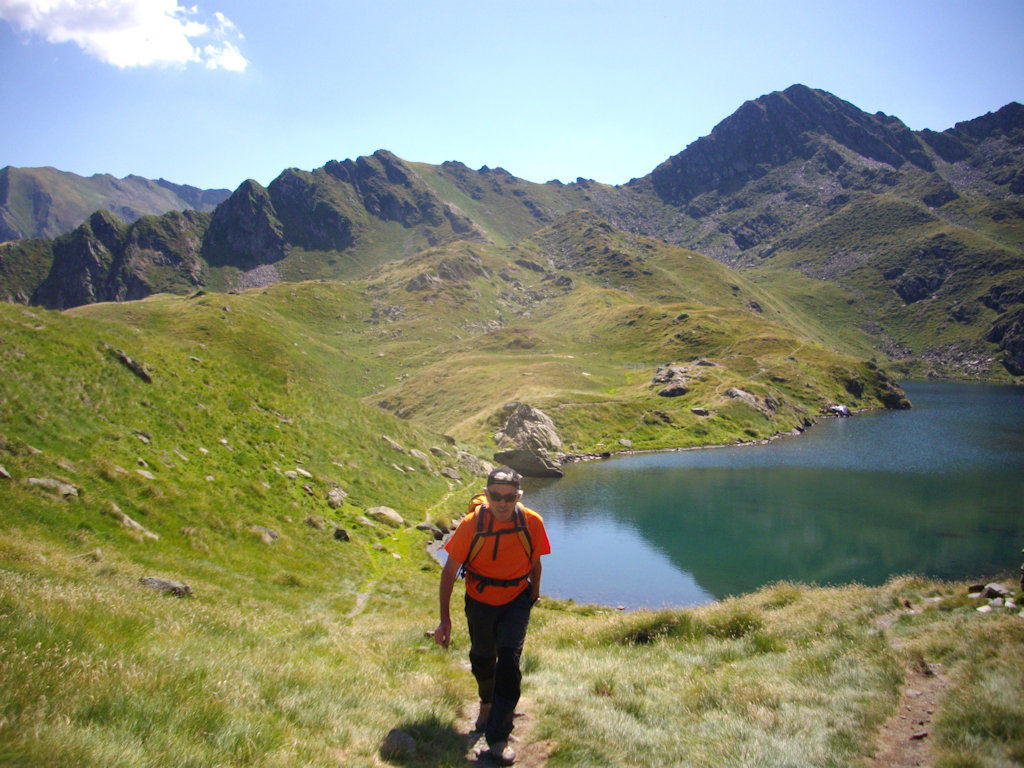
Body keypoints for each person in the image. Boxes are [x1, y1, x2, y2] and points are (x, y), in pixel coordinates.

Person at [434, 467, 551, 766]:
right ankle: (486, 702)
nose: (502, 503)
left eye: (509, 497)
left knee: (510, 660)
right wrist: (444, 620)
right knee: (482, 657)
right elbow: (448, 573)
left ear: (518, 497)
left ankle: (498, 738)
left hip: (516, 600)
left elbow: (535, 565)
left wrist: (533, 595)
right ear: (486, 495)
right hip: (479, 600)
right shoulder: (472, 525)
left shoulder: (532, 522)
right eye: (496, 496)